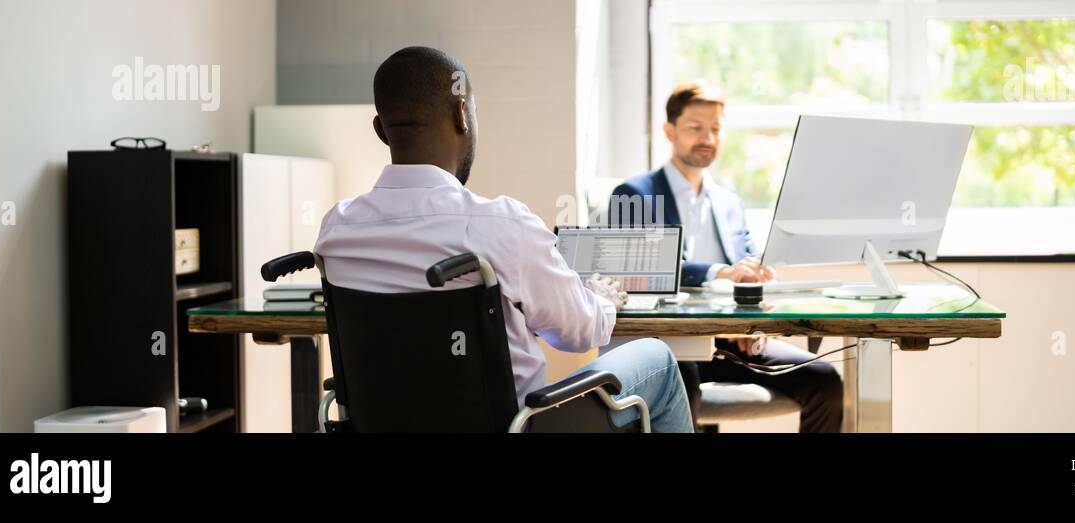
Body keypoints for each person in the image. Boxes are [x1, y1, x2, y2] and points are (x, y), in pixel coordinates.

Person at [314, 46, 693, 432]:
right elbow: (579, 332)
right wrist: (601, 299)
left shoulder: (337, 230)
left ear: (380, 130)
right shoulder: (500, 223)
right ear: (462, 115)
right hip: (515, 426)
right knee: (658, 360)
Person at [609, 82, 842, 432]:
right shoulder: (635, 195)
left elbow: (750, 268)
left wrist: (755, 318)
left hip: (733, 341)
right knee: (680, 389)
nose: (708, 138)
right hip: (674, 343)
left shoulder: (728, 202)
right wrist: (720, 273)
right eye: (695, 128)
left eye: (716, 129)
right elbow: (640, 272)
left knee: (824, 381)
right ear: (669, 131)